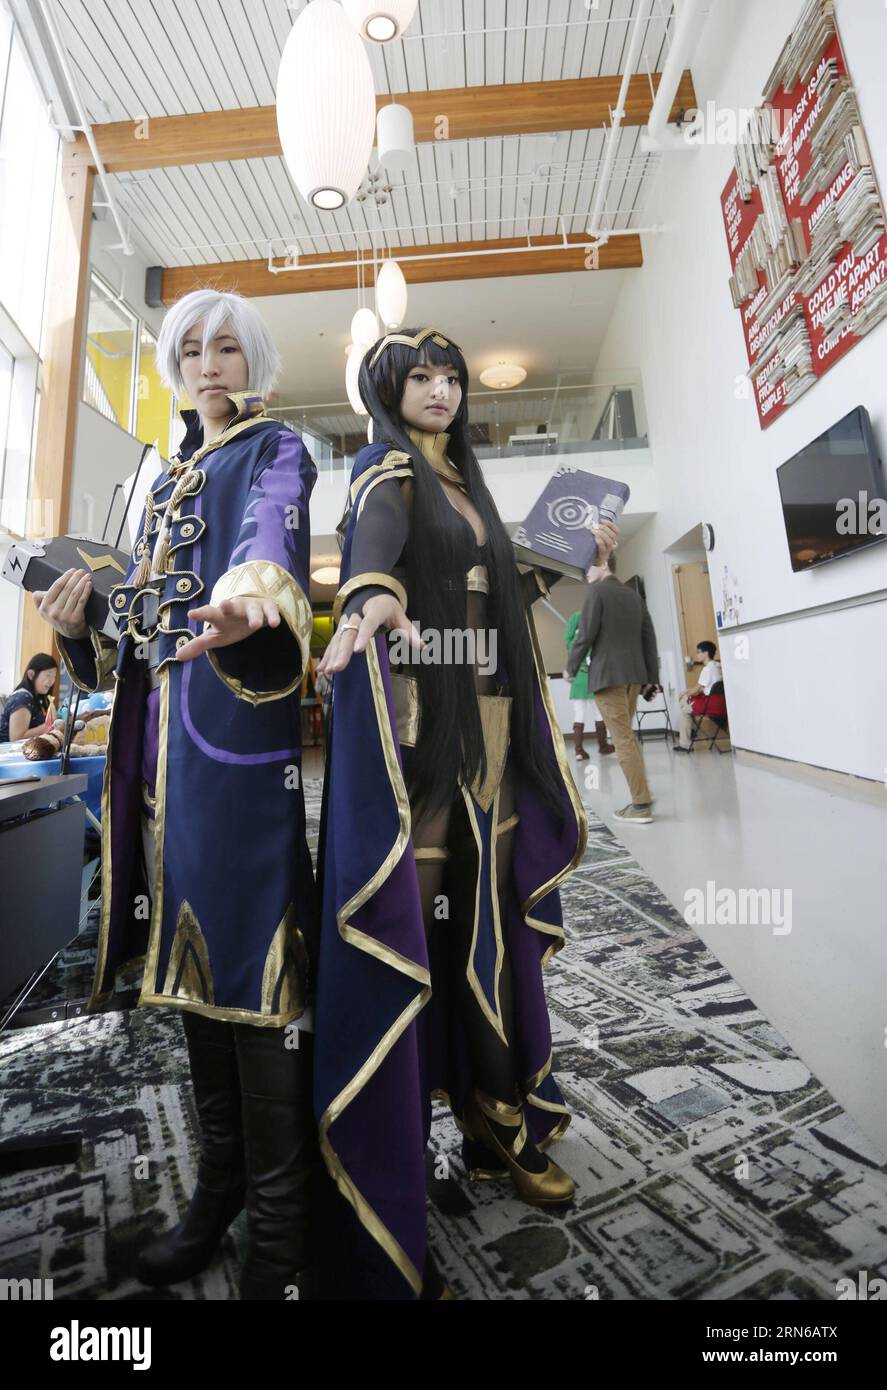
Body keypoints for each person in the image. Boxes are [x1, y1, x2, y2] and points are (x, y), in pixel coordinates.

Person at [313, 326, 617, 1300]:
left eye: (450, 377)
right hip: (426, 740)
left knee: (489, 940)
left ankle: (495, 1125)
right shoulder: (383, 471)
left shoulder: (472, 488)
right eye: (421, 378)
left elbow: (507, 588)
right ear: (387, 392)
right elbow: (377, 545)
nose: (441, 390)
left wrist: (580, 549)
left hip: (496, 735)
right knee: (421, 945)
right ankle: (403, 1169)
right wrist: (364, 599)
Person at [33, 289, 320, 1300]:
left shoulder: (276, 447)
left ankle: (282, 1232)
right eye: (191, 347)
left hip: (237, 751)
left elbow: (271, 534)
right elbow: (126, 638)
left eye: (229, 347)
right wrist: (76, 622)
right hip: (158, 764)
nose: (210, 363)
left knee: (255, 974)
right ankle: (219, 1192)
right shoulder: (161, 482)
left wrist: (251, 593)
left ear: (258, 363)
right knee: (191, 975)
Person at [565, 551, 659, 825]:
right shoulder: (633, 595)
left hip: (608, 677)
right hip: (633, 677)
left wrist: (571, 667)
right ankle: (643, 795)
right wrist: (650, 679)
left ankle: (641, 805)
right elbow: (648, 639)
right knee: (627, 737)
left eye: (588, 567)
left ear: (603, 563)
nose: (586, 573)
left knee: (623, 740)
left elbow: (585, 634)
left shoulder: (597, 592)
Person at [563, 611, 613, 759]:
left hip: (577, 680)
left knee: (579, 715)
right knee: (599, 713)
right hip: (591, 679)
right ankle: (603, 746)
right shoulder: (591, 640)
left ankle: (578, 751)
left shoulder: (572, 642)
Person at [675, 640, 724, 751]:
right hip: (721, 703)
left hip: (710, 704)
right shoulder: (717, 666)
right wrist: (687, 693)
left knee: (684, 708)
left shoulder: (707, 669)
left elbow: (697, 690)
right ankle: (690, 730)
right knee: (685, 702)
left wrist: (683, 693)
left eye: (698, 652)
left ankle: (685, 743)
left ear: (706, 653)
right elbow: (702, 688)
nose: (697, 654)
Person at [0, 653, 57, 742]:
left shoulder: (37, 698)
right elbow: (16, 738)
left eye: (54, 676)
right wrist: (50, 726)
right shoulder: (22, 698)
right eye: (48, 675)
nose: (52, 681)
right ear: (31, 674)